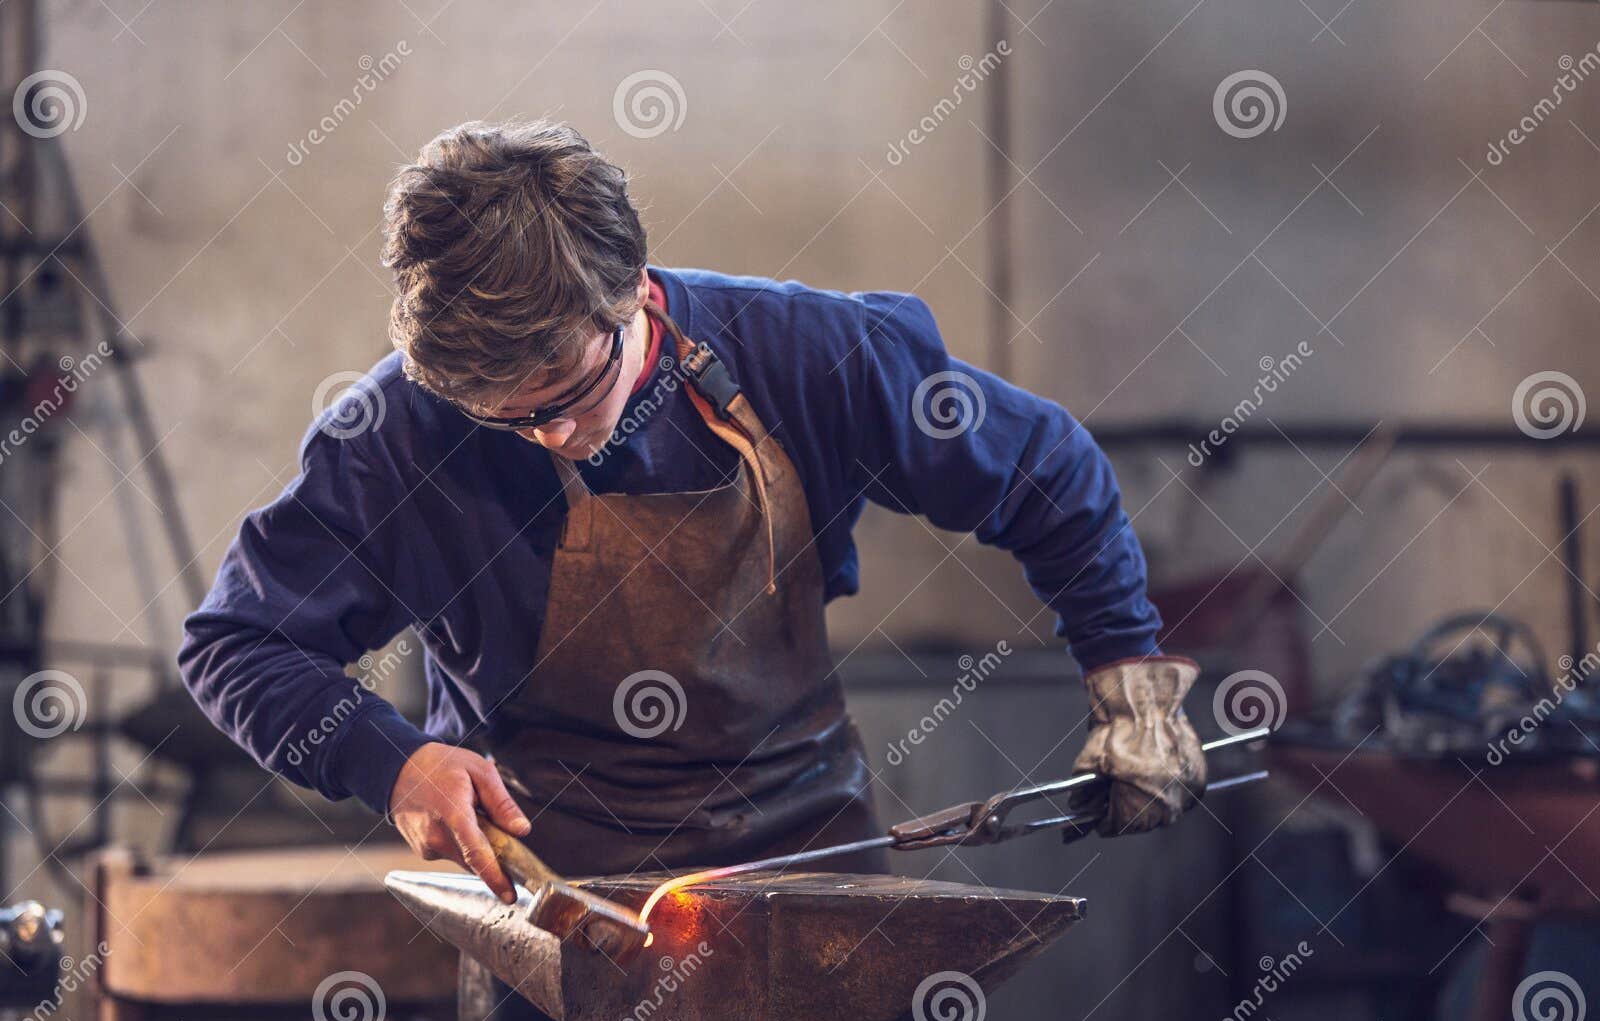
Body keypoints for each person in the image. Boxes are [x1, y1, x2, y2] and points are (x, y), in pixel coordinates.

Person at [180, 119, 1206, 909]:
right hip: (551, 897)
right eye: (505, 420)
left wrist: (1127, 681)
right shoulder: (394, 432)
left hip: (807, 866)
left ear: (629, 292)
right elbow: (238, 643)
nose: (549, 438)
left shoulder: (805, 353)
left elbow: (1047, 465)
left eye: (568, 394)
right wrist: (389, 757)